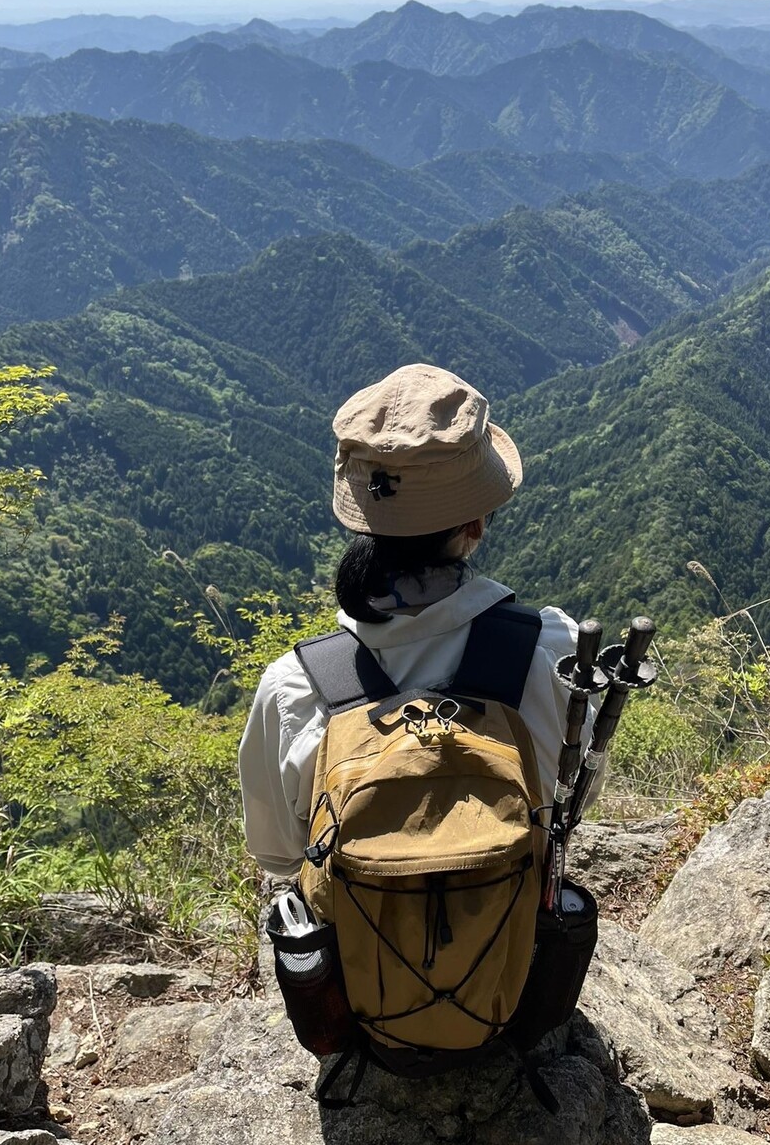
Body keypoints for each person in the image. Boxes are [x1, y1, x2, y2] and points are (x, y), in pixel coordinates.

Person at [238, 362, 583, 878]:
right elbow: (573, 800)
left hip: (356, 954)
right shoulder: (553, 653)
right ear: (475, 525)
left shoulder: (295, 688)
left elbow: (278, 854)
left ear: (358, 517)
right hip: (510, 948)